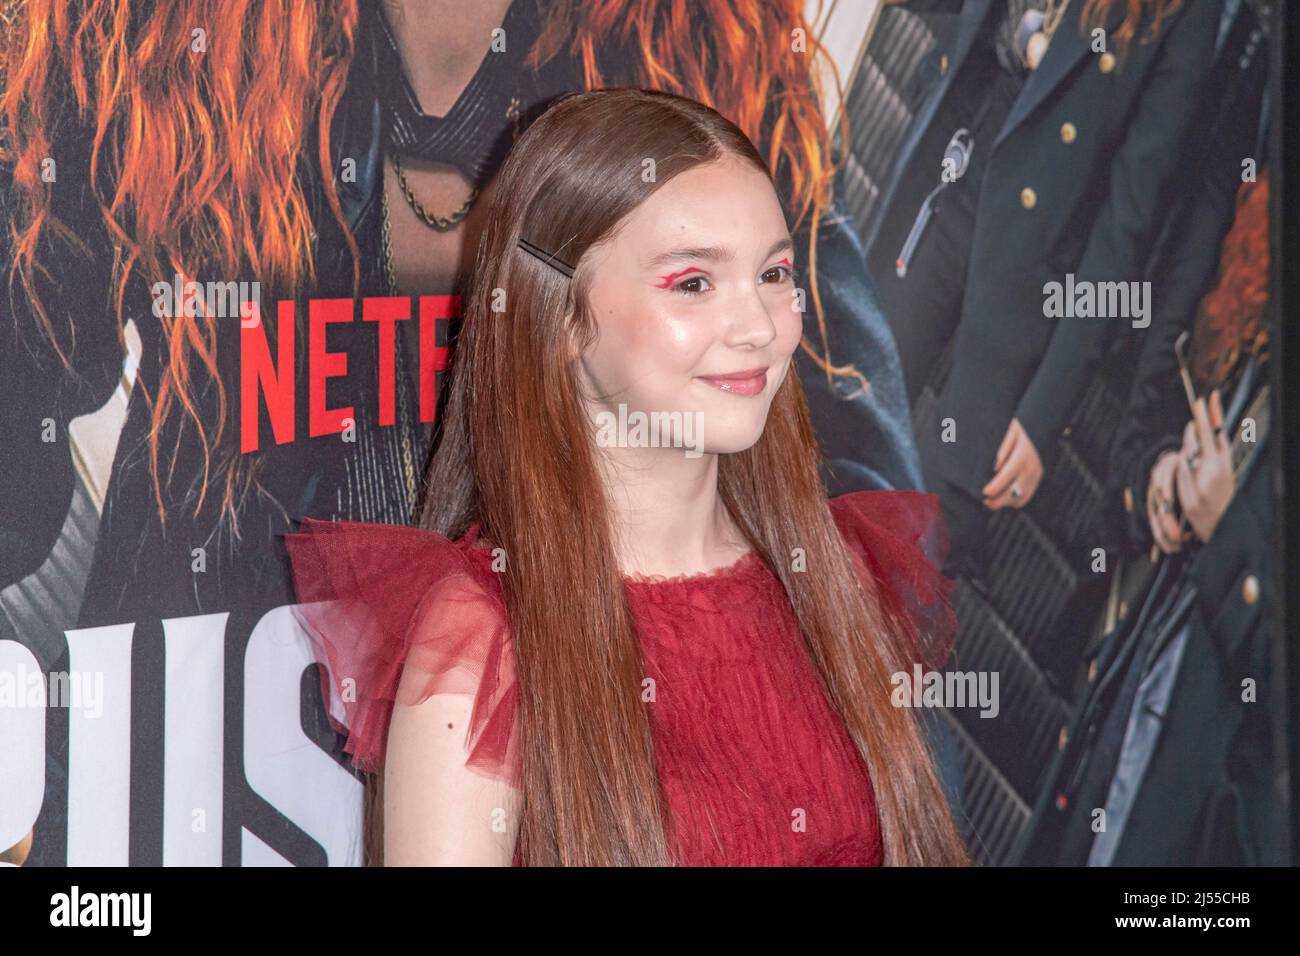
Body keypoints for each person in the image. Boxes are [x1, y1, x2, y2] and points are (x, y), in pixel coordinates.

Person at [285, 88, 970, 866]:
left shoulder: (831, 571)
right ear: (566, 318)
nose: (759, 326)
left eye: (775, 273)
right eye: (693, 283)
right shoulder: (485, 644)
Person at [865, 0, 1224, 572]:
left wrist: (1043, 412)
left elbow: (1124, 228)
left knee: (923, 537)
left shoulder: (1187, 16)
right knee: (841, 429)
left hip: (1030, 284)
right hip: (957, 178)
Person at [1014, 169, 1282, 865]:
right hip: (1140, 688)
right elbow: (1164, 409)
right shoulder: (1254, 273)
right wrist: (1166, 479)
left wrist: (1232, 539)